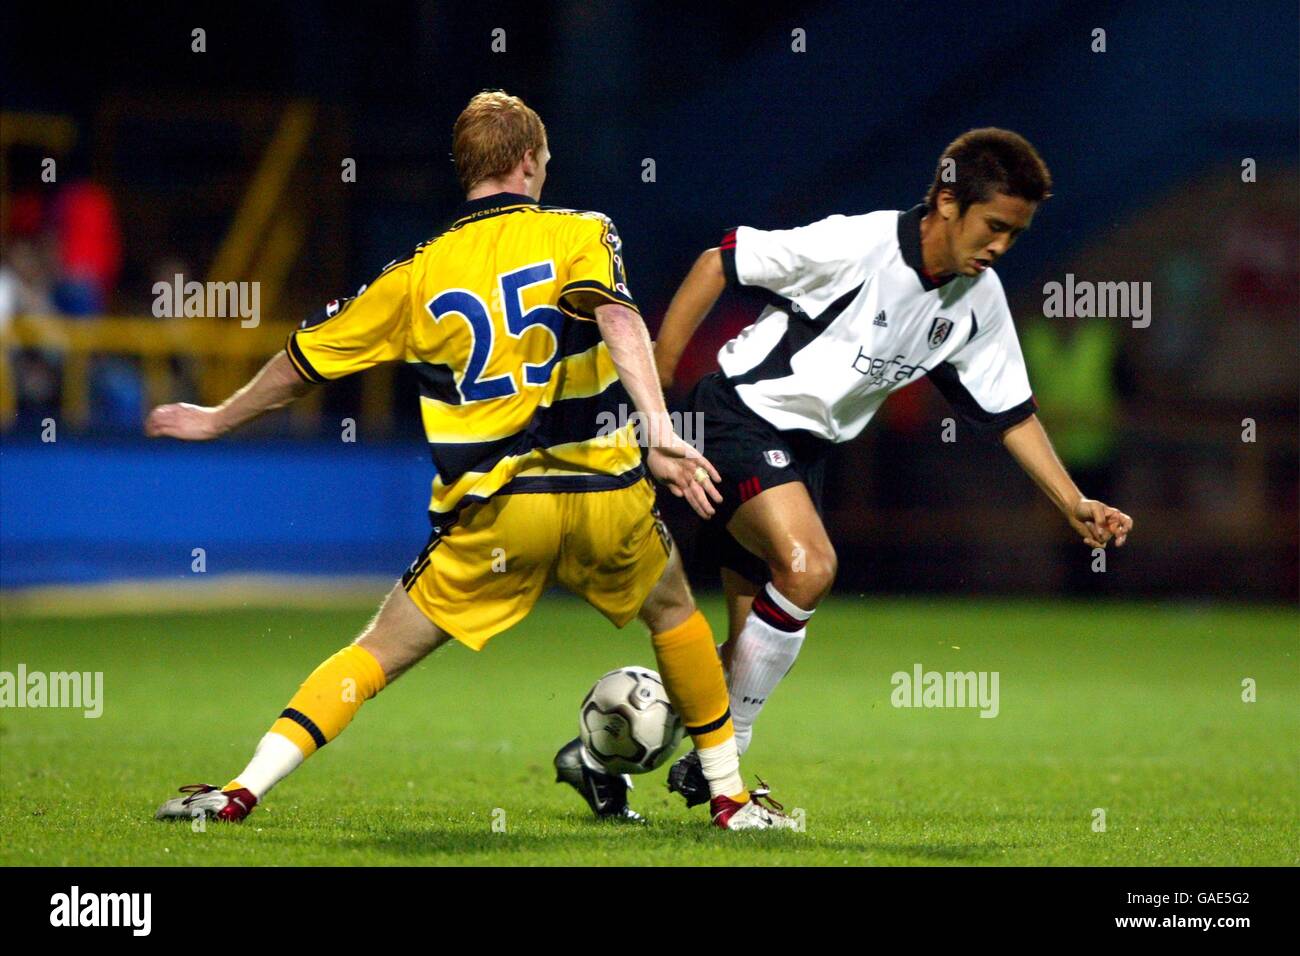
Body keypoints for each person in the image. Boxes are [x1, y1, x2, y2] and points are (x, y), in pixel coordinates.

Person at [148, 90, 794, 831]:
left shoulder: (414, 274)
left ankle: (240, 791)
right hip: (603, 495)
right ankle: (730, 799)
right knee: (675, 611)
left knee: (377, 653)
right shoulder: (581, 230)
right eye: (543, 161)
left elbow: (305, 361)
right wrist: (655, 429)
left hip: (495, 514)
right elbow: (616, 315)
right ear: (527, 162)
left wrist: (218, 417)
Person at [646, 128, 1134, 807]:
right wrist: (661, 390)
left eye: (1015, 235)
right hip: (738, 417)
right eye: (994, 225)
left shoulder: (978, 299)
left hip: (804, 450)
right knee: (810, 568)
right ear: (945, 201)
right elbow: (720, 259)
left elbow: (1011, 413)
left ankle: (603, 747)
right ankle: (723, 772)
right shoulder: (858, 244)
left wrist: (1072, 502)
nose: (1000, 246)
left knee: (740, 656)